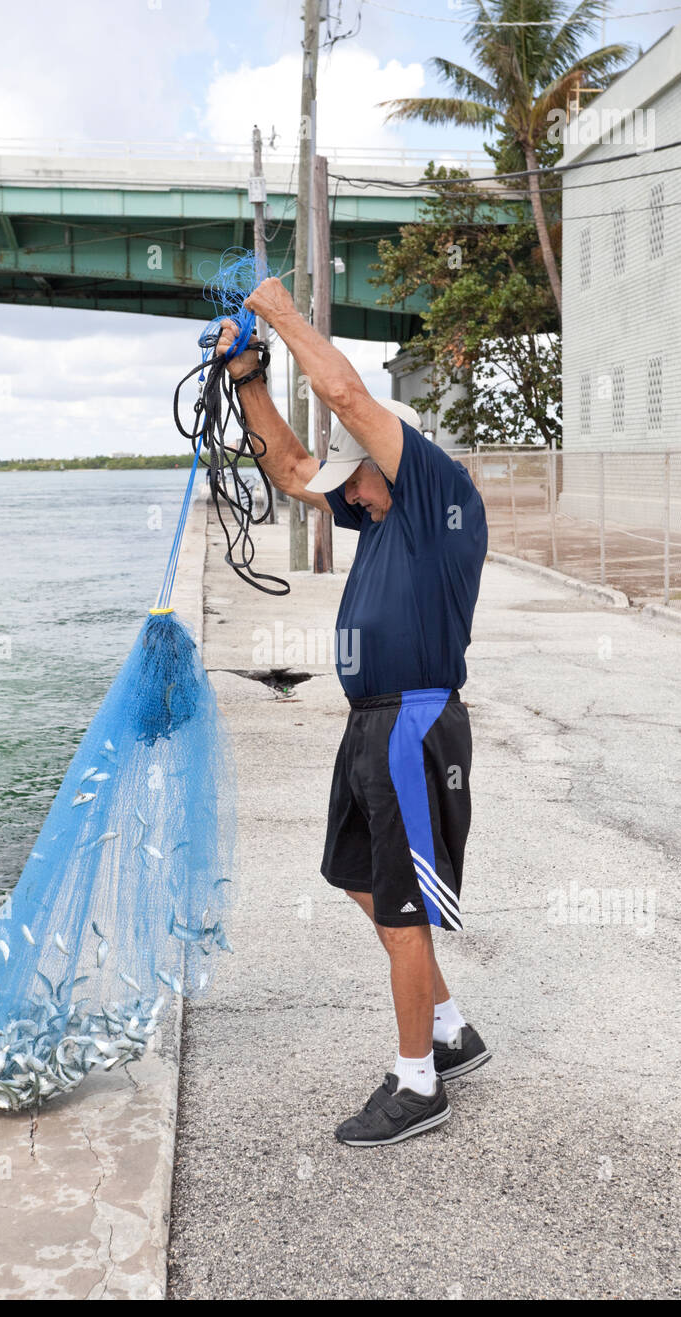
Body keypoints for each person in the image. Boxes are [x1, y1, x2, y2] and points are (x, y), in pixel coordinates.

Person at [215, 276, 491, 1147]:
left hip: (414, 720)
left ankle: (418, 1087)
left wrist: (282, 313)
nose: (343, 493)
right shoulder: (377, 512)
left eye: (355, 478)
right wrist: (248, 378)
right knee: (359, 878)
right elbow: (291, 468)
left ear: (388, 463)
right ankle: (449, 1033)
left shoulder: (436, 497)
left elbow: (343, 392)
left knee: (403, 905)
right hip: (369, 721)